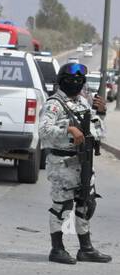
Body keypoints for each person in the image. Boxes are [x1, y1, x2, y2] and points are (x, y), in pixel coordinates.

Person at [40, 61, 110, 264]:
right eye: (71, 80)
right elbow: (44, 131)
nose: (76, 83)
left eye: (79, 80)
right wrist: (68, 130)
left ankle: (85, 248)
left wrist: (101, 113)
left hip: (84, 161)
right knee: (62, 206)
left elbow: (98, 132)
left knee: (86, 204)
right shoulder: (54, 104)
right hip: (63, 162)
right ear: (62, 81)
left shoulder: (83, 103)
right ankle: (57, 249)